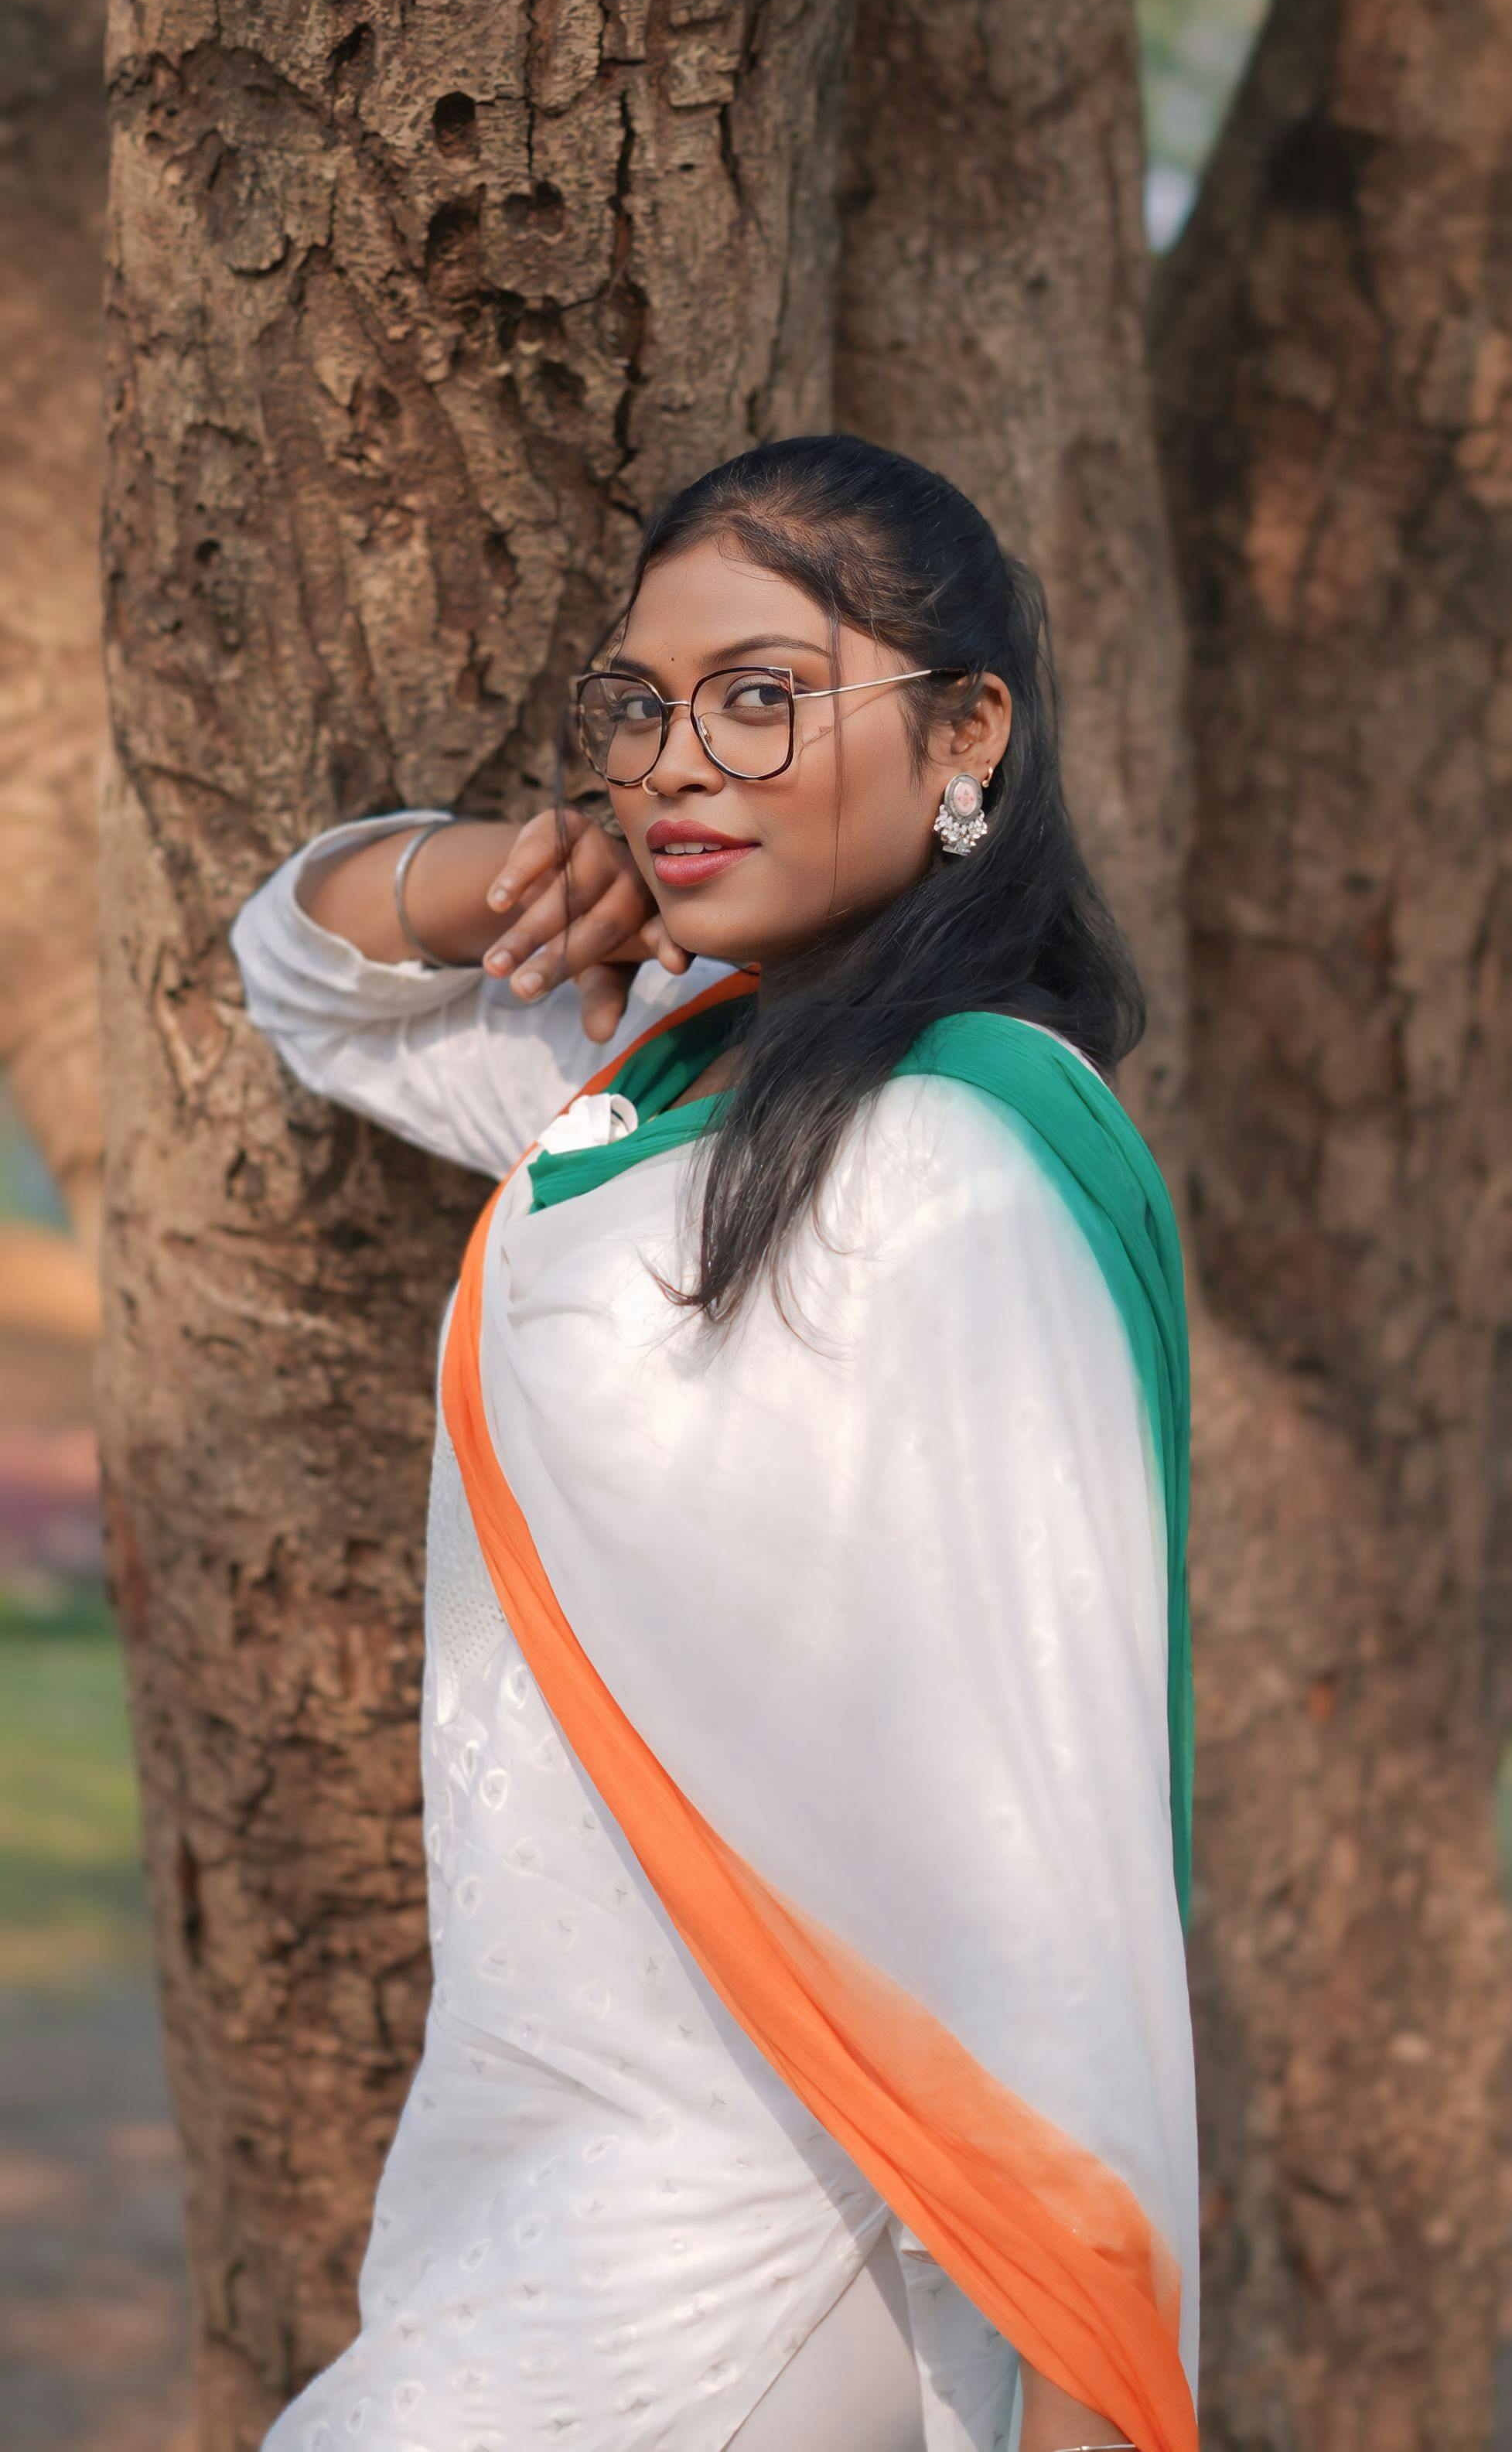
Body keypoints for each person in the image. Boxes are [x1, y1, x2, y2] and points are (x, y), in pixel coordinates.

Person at [230, 434, 1197, 2452]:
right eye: (641, 708)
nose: (677, 764)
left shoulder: (954, 1155)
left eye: (763, 695)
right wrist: (493, 873)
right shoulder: (663, 1077)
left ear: (966, 735)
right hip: (534, 2152)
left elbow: (1047, 1804)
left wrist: (1087, 2356)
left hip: (764, 2206)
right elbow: (306, 978)